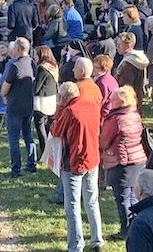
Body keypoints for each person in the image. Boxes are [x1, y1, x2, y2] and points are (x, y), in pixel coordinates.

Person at [51, 81, 104, 252]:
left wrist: (58, 109)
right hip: (92, 158)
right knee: (92, 201)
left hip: (73, 162)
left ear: (63, 97)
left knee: (72, 205)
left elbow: (56, 130)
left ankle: (76, 245)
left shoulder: (69, 111)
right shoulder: (92, 106)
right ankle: (97, 240)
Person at [100, 86, 147, 240]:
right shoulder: (135, 114)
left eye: (112, 99)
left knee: (122, 198)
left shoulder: (116, 119)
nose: (109, 101)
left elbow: (104, 140)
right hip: (138, 159)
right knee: (134, 196)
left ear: (120, 102)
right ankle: (135, 228)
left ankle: (126, 230)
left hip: (122, 162)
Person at [1, 37, 37, 178]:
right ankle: (31, 163)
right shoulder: (32, 63)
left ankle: (16, 169)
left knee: (14, 138)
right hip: (28, 105)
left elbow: (6, 84)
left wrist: (4, 95)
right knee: (28, 135)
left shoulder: (14, 66)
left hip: (15, 105)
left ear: (19, 49)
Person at [33, 45, 60, 155]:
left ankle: (45, 150)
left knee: (40, 125)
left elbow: (37, 86)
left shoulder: (42, 68)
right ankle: (52, 149)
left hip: (42, 100)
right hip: (52, 97)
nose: (34, 57)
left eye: (35, 54)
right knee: (49, 124)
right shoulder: (53, 66)